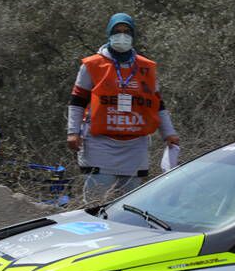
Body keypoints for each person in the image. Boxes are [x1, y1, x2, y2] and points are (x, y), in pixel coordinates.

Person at [67, 13, 179, 202]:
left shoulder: (146, 68)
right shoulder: (93, 65)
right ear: (109, 33)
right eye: (117, 31)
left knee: (129, 204)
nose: (122, 36)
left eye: (127, 31)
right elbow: (77, 101)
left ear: (133, 35)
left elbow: (158, 104)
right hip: (100, 144)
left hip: (135, 146)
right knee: (96, 203)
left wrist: (169, 133)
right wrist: (72, 132)